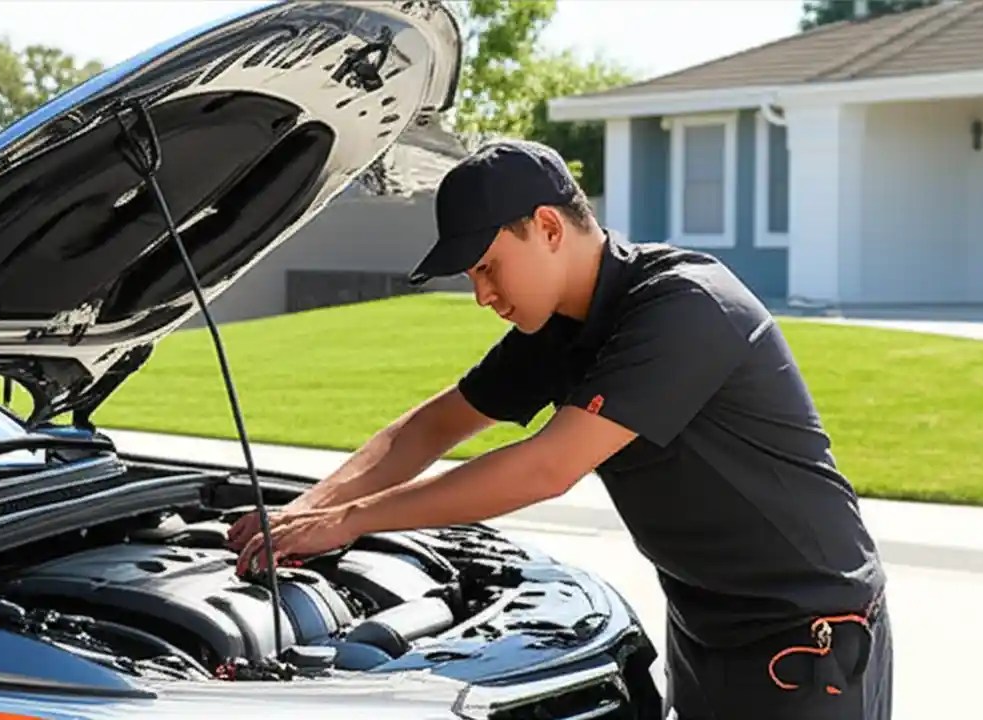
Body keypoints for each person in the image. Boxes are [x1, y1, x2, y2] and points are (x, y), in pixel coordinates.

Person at [227, 139, 892, 720]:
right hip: (704, 625)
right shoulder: (555, 327)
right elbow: (430, 427)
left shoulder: (685, 307)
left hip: (803, 632)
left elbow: (548, 467)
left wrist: (354, 520)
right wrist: (298, 516)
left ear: (547, 226)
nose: (482, 295)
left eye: (488, 266)